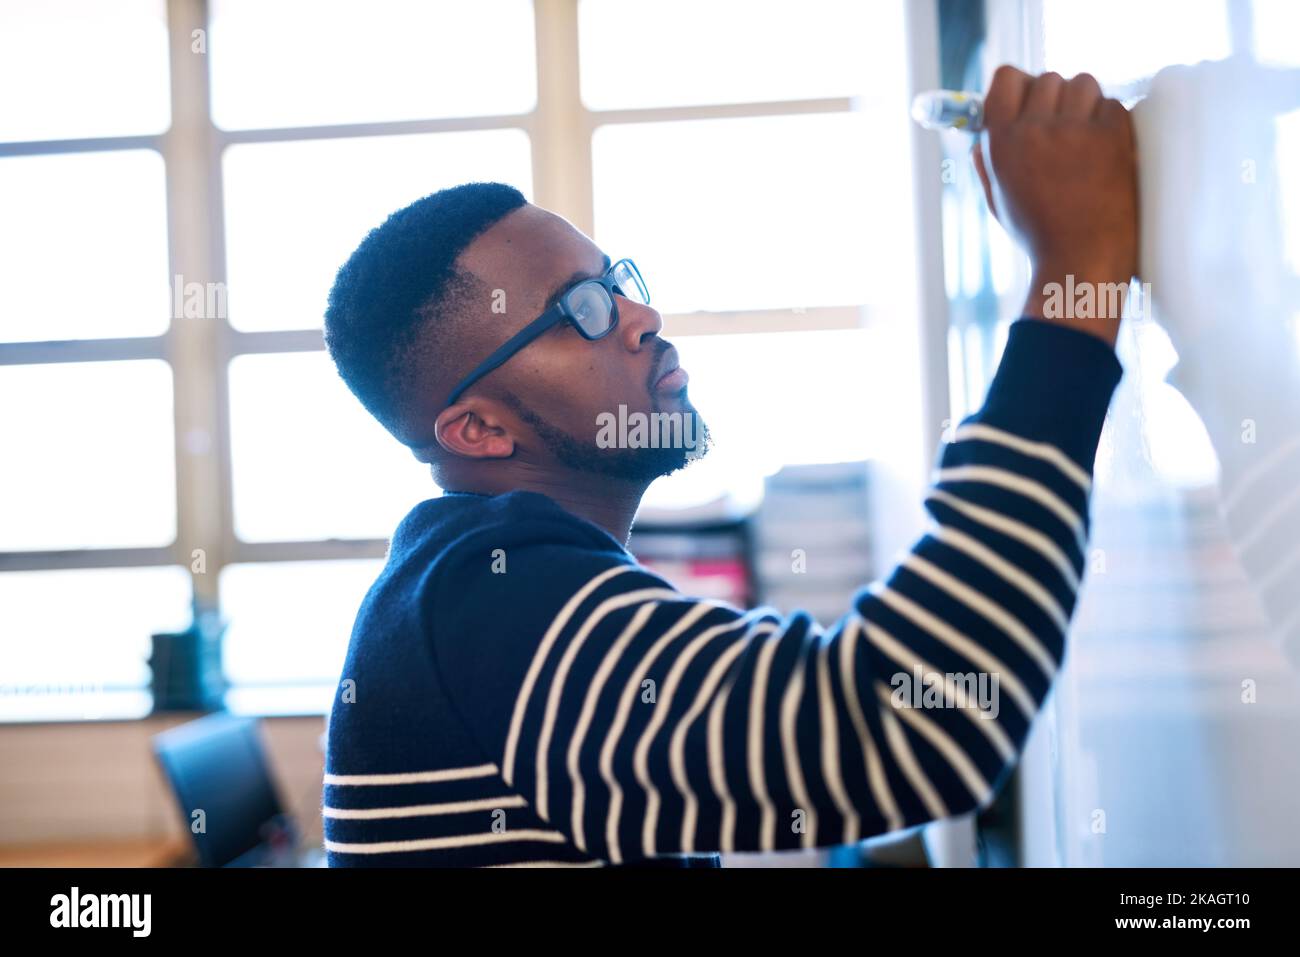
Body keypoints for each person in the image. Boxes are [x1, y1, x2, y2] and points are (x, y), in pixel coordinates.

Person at [319, 65, 1136, 867]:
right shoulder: (488, 600)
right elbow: (901, 726)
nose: (641, 317)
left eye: (617, 283)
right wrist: (1076, 272)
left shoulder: (484, 581)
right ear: (478, 428)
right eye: (581, 311)